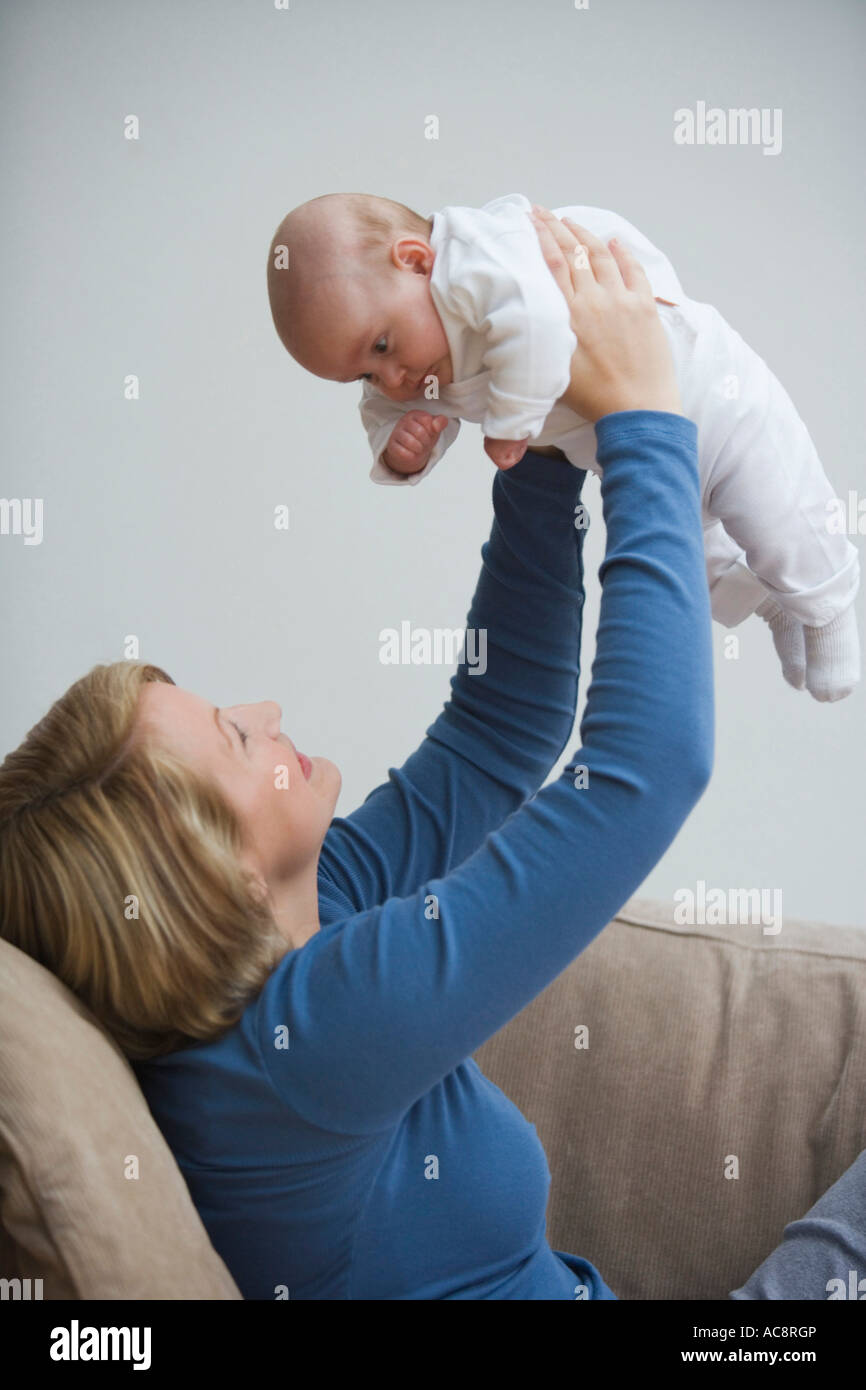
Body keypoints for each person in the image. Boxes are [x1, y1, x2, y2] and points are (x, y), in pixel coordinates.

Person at [2, 211, 860, 1299]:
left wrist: (548, 448)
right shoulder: (301, 1046)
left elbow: (498, 732)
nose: (265, 708)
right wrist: (643, 421)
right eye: (235, 735)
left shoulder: (294, 943)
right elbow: (646, 773)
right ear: (200, 868)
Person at [267, 192, 860, 703]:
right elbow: (385, 412)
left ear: (417, 261)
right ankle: (772, 603)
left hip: (702, 385)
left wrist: (509, 424)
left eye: (381, 346)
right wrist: (401, 448)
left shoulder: (481, 259)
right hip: (626, 446)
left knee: (777, 508)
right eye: (362, 376)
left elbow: (538, 327)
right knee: (689, 558)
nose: (390, 378)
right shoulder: (415, 357)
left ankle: (827, 605)